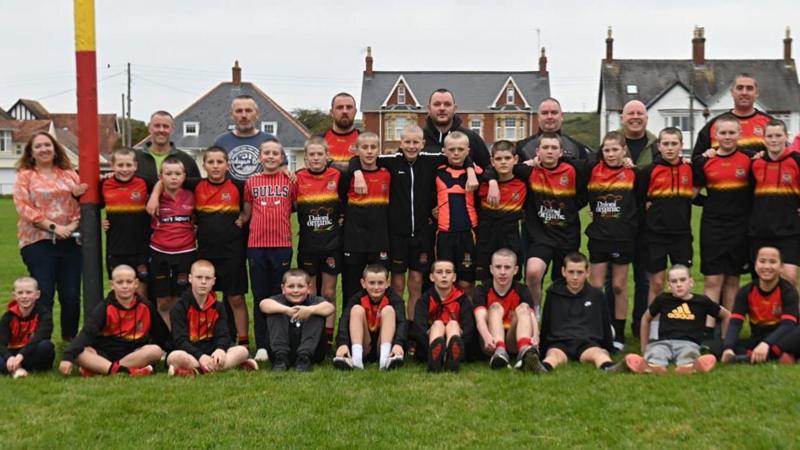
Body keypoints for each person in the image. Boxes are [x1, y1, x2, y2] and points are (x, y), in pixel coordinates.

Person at [349, 124, 476, 349]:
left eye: (415, 142)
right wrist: (357, 172)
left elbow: (459, 156)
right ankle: (398, 332)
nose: (411, 146)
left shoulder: (431, 160)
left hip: (422, 234)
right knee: (397, 284)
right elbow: (356, 160)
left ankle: (415, 335)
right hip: (396, 235)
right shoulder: (390, 162)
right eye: (407, 142)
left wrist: (471, 170)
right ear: (400, 143)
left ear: (422, 144)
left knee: (416, 283)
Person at [488, 133, 590, 313]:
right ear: (537, 152)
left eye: (553, 148)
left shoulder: (574, 169)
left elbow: (597, 170)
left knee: (564, 281)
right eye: (545, 148)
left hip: (567, 236)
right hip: (541, 237)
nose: (549, 151)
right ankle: (534, 314)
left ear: (561, 152)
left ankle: (560, 318)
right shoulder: (528, 171)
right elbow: (495, 168)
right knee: (533, 272)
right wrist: (493, 182)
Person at [13, 131, 87, 341]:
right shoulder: (25, 176)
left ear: (55, 148)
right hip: (38, 241)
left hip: (71, 241)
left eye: (48, 145)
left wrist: (71, 226)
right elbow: (24, 207)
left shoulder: (69, 174)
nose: (44, 149)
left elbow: (81, 202)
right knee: (44, 293)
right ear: (31, 152)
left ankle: (69, 340)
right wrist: (54, 227)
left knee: (71, 295)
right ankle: (41, 340)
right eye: (38, 146)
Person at [692, 114, 753, 336]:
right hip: (713, 227)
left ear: (739, 134)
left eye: (731, 132)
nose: (727, 137)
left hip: (739, 227)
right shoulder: (704, 161)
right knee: (713, 279)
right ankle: (708, 332)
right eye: (723, 133)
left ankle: (729, 333)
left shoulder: (750, 159)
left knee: (732, 280)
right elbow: (692, 193)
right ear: (715, 136)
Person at [240, 138, 296, 362]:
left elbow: (296, 206)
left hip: (282, 244)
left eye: (275, 153)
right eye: (267, 153)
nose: (271, 157)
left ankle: (278, 342)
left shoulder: (291, 181)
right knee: (260, 295)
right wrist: (238, 220)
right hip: (256, 245)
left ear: (282, 158)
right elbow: (246, 212)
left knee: (280, 295)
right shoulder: (251, 182)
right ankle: (262, 345)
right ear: (259, 157)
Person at [585, 131, 640, 351]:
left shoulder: (632, 173)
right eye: (606, 149)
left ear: (623, 150)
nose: (610, 154)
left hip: (623, 237)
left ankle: (619, 332)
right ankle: (599, 328)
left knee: (618, 286)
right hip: (598, 236)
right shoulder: (592, 170)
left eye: (615, 149)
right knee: (597, 286)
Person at [59, 265, 163, 377]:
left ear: (136, 284)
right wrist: (67, 358)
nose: (125, 286)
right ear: (112, 285)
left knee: (155, 351)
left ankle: (101, 369)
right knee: (80, 353)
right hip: (104, 353)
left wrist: (171, 356)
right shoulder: (104, 308)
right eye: (120, 282)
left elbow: (162, 334)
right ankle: (125, 371)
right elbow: (86, 334)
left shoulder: (146, 306)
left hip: (133, 354)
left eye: (129, 282)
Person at [625, 265, 729, 374]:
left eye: (682, 280)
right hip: (663, 342)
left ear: (691, 282)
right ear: (669, 285)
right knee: (656, 352)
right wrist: (644, 347)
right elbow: (645, 318)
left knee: (689, 353)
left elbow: (726, 315)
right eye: (674, 281)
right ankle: (653, 367)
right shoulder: (663, 299)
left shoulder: (702, 302)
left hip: (688, 342)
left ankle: (690, 367)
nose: (679, 284)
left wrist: (725, 344)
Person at [638, 128, 696, 320]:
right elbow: (639, 200)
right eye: (666, 144)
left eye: (674, 144)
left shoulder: (690, 168)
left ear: (681, 146)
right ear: (659, 146)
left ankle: (681, 323)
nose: (670, 148)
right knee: (656, 282)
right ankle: (653, 327)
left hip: (682, 234)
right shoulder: (649, 171)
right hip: (656, 235)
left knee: (682, 282)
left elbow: (698, 189)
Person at [608, 100, 654, 338]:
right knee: (613, 281)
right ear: (622, 118)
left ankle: (640, 326)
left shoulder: (656, 145)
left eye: (640, 113)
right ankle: (611, 327)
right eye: (630, 113)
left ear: (646, 118)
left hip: (648, 223)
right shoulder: (612, 143)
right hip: (617, 223)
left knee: (644, 278)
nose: (635, 117)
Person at [537, 252, 625, 373]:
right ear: (563, 272)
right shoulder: (553, 294)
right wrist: (542, 350)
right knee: (553, 356)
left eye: (580, 272)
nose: (575, 277)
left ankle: (609, 367)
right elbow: (546, 323)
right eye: (571, 272)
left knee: (598, 354)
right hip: (560, 342)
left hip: (587, 342)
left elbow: (605, 322)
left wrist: (609, 348)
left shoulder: (597, 295)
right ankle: (543, 368)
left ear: (587, 273)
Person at [166, 260, 257, 376]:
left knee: (242, 351)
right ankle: (222, 366)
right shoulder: (179, 307)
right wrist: (201, 356)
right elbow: (180, 341)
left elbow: (223, 335)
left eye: (208, 278)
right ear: (190, 279)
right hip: (189, 353)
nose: (203, 282)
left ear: (213, 281)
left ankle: (196, 370)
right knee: (175, 357)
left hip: (213, 352)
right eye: (199, 277)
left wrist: (220, 349)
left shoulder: (218, 306)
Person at [295, 137, 343, 346]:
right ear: (306, 158)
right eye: (311, 154)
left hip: (332, 244)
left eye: (319, 154)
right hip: (308, 245)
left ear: (326, 156)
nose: (315, 158)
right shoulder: (297, 178)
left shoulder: (338, 176)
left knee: (329, 292)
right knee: (311, 292)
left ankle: (329, 336)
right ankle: (312, 334)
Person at [721, 246, 799, 364]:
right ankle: (778, 355)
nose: (767, 266)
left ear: (781, 267)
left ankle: (756, 356)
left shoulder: (788, 291)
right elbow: (735, 323)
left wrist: (766, 344)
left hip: (785, 336)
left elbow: (788, 325)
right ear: (755, 264)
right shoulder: (746, 291)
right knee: (717, 345)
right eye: (762, 261)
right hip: (759, 337)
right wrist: (728, 348)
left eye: (773, 262)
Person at [338, 132, 391, 301]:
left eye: (373, 147)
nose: (369, 151)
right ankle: (349, 325)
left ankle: (379, 324)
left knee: (379, 289)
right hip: (354, 240)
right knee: (352, 289)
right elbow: (339, 199)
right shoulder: (348, 175)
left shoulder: (387, 173)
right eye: (365, 147)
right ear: (357, 150)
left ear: (379, 150)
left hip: (379, 239)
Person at [748, 119, 800, 284]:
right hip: (760, 231)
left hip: (789, 230)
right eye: (770, 136)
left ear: (786, 136)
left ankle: (792, 310)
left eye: (778, 135)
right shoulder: (756, 163)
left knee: (789, 278)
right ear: (764, 139)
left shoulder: (796, 161)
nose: (774, 139)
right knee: (761, 281)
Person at [433, 131, 483, 296]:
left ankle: (467, 319)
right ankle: (446, 317)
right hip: (444, 234)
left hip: (468, 233)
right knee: (444, 280)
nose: (456, 153)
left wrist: (470, 169)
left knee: (466, 282)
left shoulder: (477, 173)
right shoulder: (436, 171)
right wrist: (431, 210)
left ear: (468, 150)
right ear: (444, 151)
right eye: (452, 149)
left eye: (460, 149)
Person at [149, 156, 196, 329]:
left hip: (185, 252)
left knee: (180, 299)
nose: (173, 177)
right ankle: (168, 335)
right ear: (161, 177)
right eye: (168, 173)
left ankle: (180, 336)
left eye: (178, 173)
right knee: (162, 301)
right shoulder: (154, 198)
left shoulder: (192, 195)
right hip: (159, 252)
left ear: (184, 176)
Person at [473, 249, 539, 370]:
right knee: (495, 307)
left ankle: (525, 352)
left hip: (513, 340)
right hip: (490, 341)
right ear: (491, 269)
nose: (502, 272)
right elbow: (480, 319)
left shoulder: (522, 289)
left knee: (524, 308)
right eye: (498, 267)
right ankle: (500, 353)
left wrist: (536, 336)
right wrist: (486, 336)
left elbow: (532, 316)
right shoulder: (482, 289)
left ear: (515, 270)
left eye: (507, 267)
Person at [101, 147, 152, 299]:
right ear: (112, 166)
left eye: (128, 165)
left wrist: (154, 196)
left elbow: (163, 184)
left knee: (141, 291)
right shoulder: (104, 184)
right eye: (120, 165)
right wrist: (101, 222)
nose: (125, 169)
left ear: (135, 166)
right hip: (116, 248)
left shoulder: (144, 182)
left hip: (141, 248)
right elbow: (90, 206)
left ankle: (141, 322)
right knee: (120, 290)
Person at [333, 264, 406, 370]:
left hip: (384, 344)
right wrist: (342, 344)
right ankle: (357, 360)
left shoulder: (394, 299)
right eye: (371, 283)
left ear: (387, 283)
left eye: (380, 283)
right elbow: (344, 320)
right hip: (364, 345)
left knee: (389, 310)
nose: (376, 287)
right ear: (363, 283)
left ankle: (385, 360)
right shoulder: (357, 298)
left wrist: (399, 344)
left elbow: (402, 322)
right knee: (356, 309)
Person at [260, 269, 334, 372]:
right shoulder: (278, 300)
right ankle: (281, 358)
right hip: (281, 352)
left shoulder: (314, 300)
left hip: (312, 354)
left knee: (317, 311)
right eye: (291, 286)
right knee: (275, 310)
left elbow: (330, 307)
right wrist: (287, 310)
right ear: (283, 288)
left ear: (308, 288)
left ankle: (304, 358)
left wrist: (309, 310)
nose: (296, 290)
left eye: (300, 286)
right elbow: (263, 304)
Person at [474, 141, 526, 283]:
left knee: (512, 280)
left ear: (515, 159)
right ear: (492, 161)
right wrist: (491, 181)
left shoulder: (523, 182)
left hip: (511, 238)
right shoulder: (482, 182)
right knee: (486, 280)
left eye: (507, 158)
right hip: (486, 237)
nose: (503, 162)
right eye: (498, 159)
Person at [412, 260, 475, 372]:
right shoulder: (425, 299)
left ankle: (451, 357)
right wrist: (427, 343)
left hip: (456, 337)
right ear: (432, 277)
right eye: (439, 272)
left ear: (454, 277)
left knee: (453, 324)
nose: (444, 276)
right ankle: (435, 357)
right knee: (438, 324)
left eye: (448, 272)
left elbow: (469, 328)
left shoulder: (462, 299)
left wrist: (462, 342)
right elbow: (418, 327)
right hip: (430, 341)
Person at [693, 74, 772, 157]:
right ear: (732, 92)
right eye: (740, 88)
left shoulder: (769, 124)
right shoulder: (714, 125)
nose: (744, 92)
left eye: (749, 88)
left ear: (756, 93)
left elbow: (783, 157)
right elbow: (696, 159)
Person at [213, 95, 285, 181]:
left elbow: (283, 172)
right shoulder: (221, 142)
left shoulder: (271, 141)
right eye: (239, 111)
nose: (244, 115)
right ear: (232, 115)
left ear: (257, 114)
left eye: (248, 110)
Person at [0, 277, 54, 378]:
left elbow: (40, 337)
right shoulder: (8, 316)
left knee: (46, 346)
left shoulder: (44, 314)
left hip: (31, 352)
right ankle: (17, 369)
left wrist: (21, 356)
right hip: (13, 353)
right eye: (20, 293)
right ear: (14, 296)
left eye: (29, 292)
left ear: (37, 294)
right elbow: (1, 343)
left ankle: (15, 369)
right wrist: (9, 357)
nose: (24, 296)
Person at [423, 88, 490, 168]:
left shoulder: (471, 138)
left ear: (455, 108)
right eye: (437, 104)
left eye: (447, 104)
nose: (442, 108)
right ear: (429, 108)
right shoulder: (417, 140)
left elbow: (489, 169)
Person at [516, 97, 593, 161]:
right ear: (538, 117)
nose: (549, 117)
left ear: (561, 116)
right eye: (545, 113)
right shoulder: (522, 147)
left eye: (554, 112)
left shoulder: (577, 147)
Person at [135, 110, 200, 182]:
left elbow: (197, 189)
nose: (161, 130)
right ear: (149, 128)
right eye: (157, 126)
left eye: (165, 126)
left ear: (172, 129)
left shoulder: (187, 161)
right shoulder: (134, 159)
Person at [322, 92, 360, 170]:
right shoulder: (319, 140)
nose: (345, 111)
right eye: (340, 107)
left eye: (349, 107)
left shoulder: (365, 140)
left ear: (355, 112)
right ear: (331, 112)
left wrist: (330, 163)